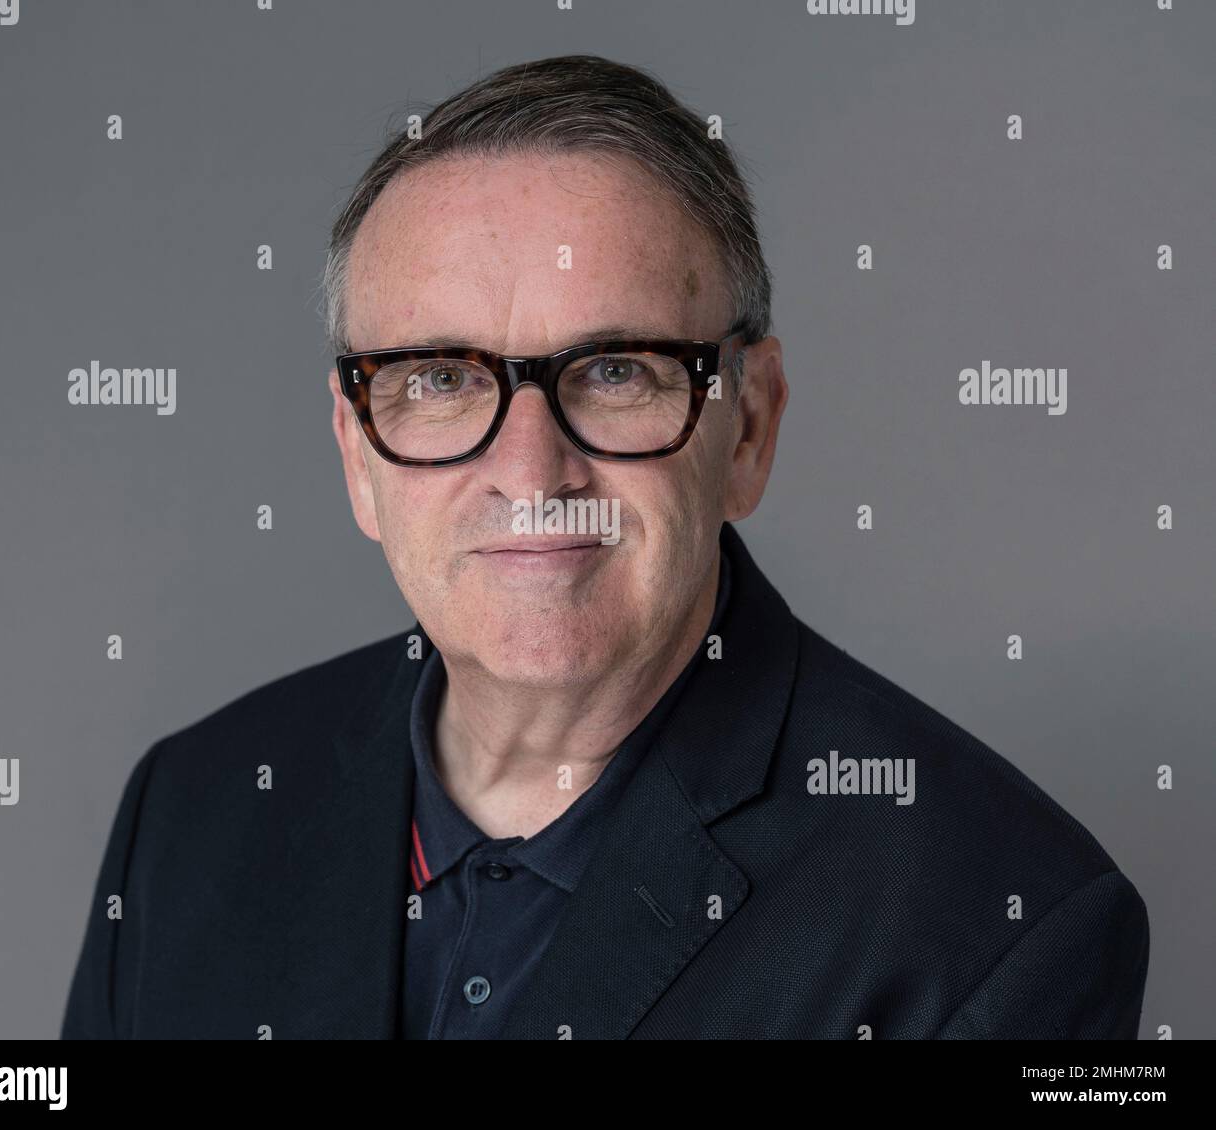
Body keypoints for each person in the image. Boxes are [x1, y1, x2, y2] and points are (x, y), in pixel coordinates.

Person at [61, 54, 1148, 1040]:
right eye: (440, 379)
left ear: (750, 426)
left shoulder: (1000, 924)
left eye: (616, 371)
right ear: (358, 453)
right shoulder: (193, 809)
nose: (532, 474)